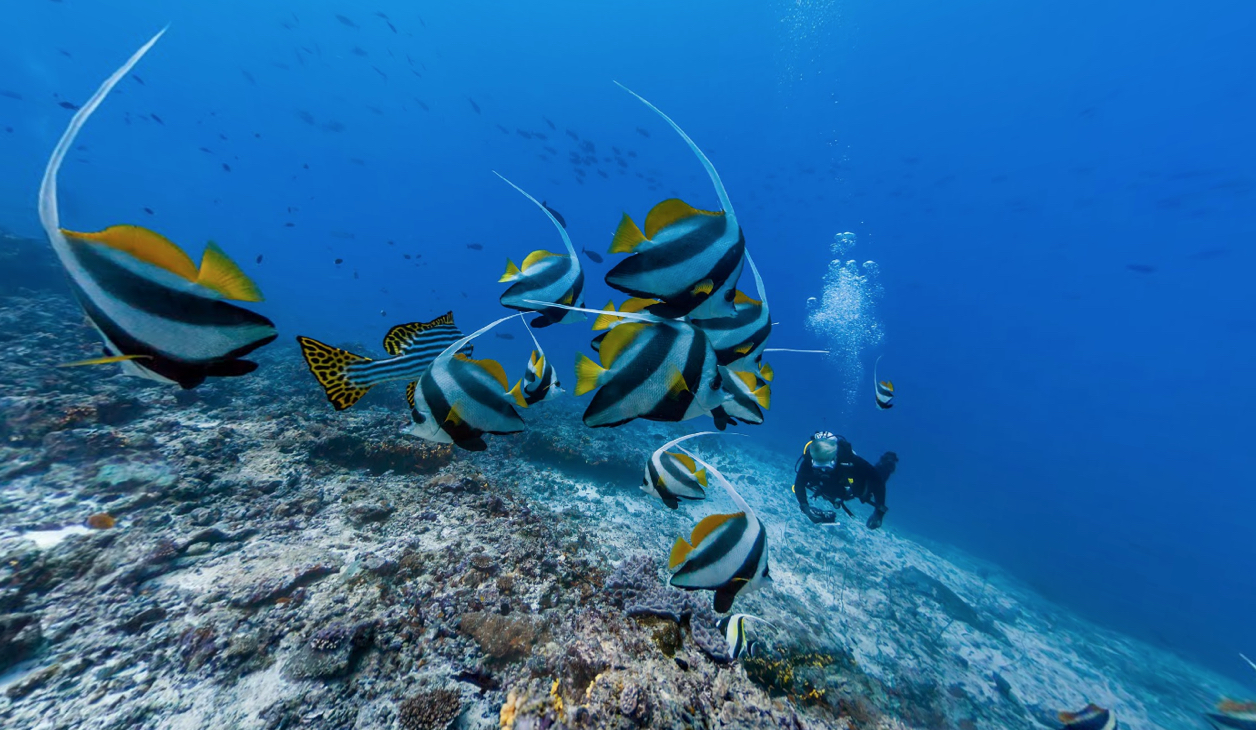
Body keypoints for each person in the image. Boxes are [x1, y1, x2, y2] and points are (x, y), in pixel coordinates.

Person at [793, 431, 897, 530]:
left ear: (835, 451)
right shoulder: (808, 460)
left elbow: (877, 480)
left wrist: (878, 514)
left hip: (851, 486)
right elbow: (799, 484)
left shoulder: (848, 459)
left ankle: (886, 464)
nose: (822, 460)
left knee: (871, 484)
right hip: (831, 489)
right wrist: (806, 508)